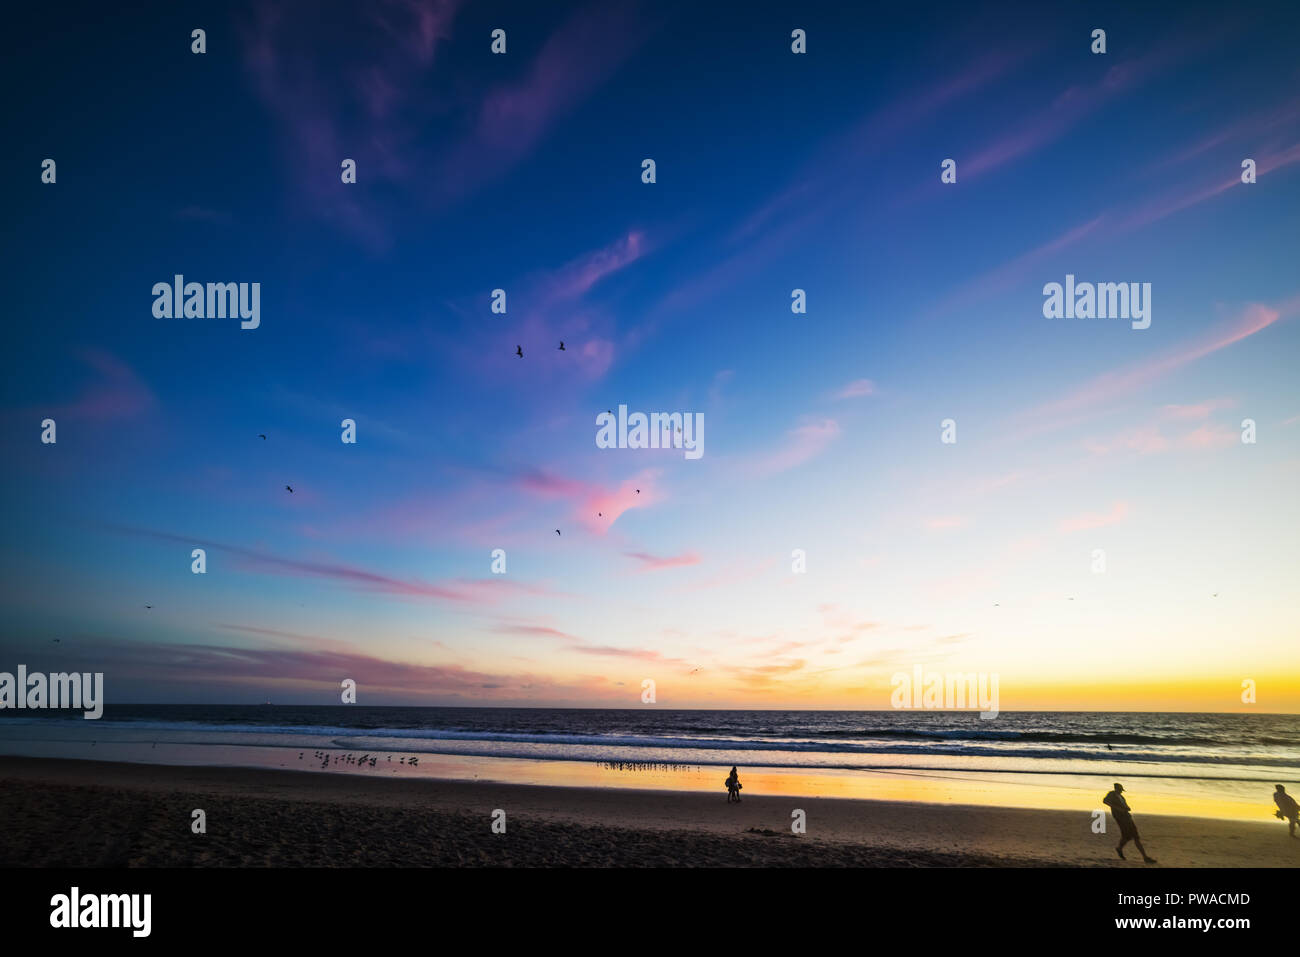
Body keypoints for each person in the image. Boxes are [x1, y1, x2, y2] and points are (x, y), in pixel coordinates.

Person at [1103, 783, 1156, 863]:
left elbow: (1126, 806)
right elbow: (1105, 801)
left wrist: (1127, 808)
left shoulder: (1122, 797)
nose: (1121, 792)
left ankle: (1120, 848)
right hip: (1120, 818)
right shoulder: (1111, 794)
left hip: (1127, 817)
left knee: (1131, 836)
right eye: (1120, 790)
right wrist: (1117, 808)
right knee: (1131, 836)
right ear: (1116, 789)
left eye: (1121, 790)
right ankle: (1144, 857)